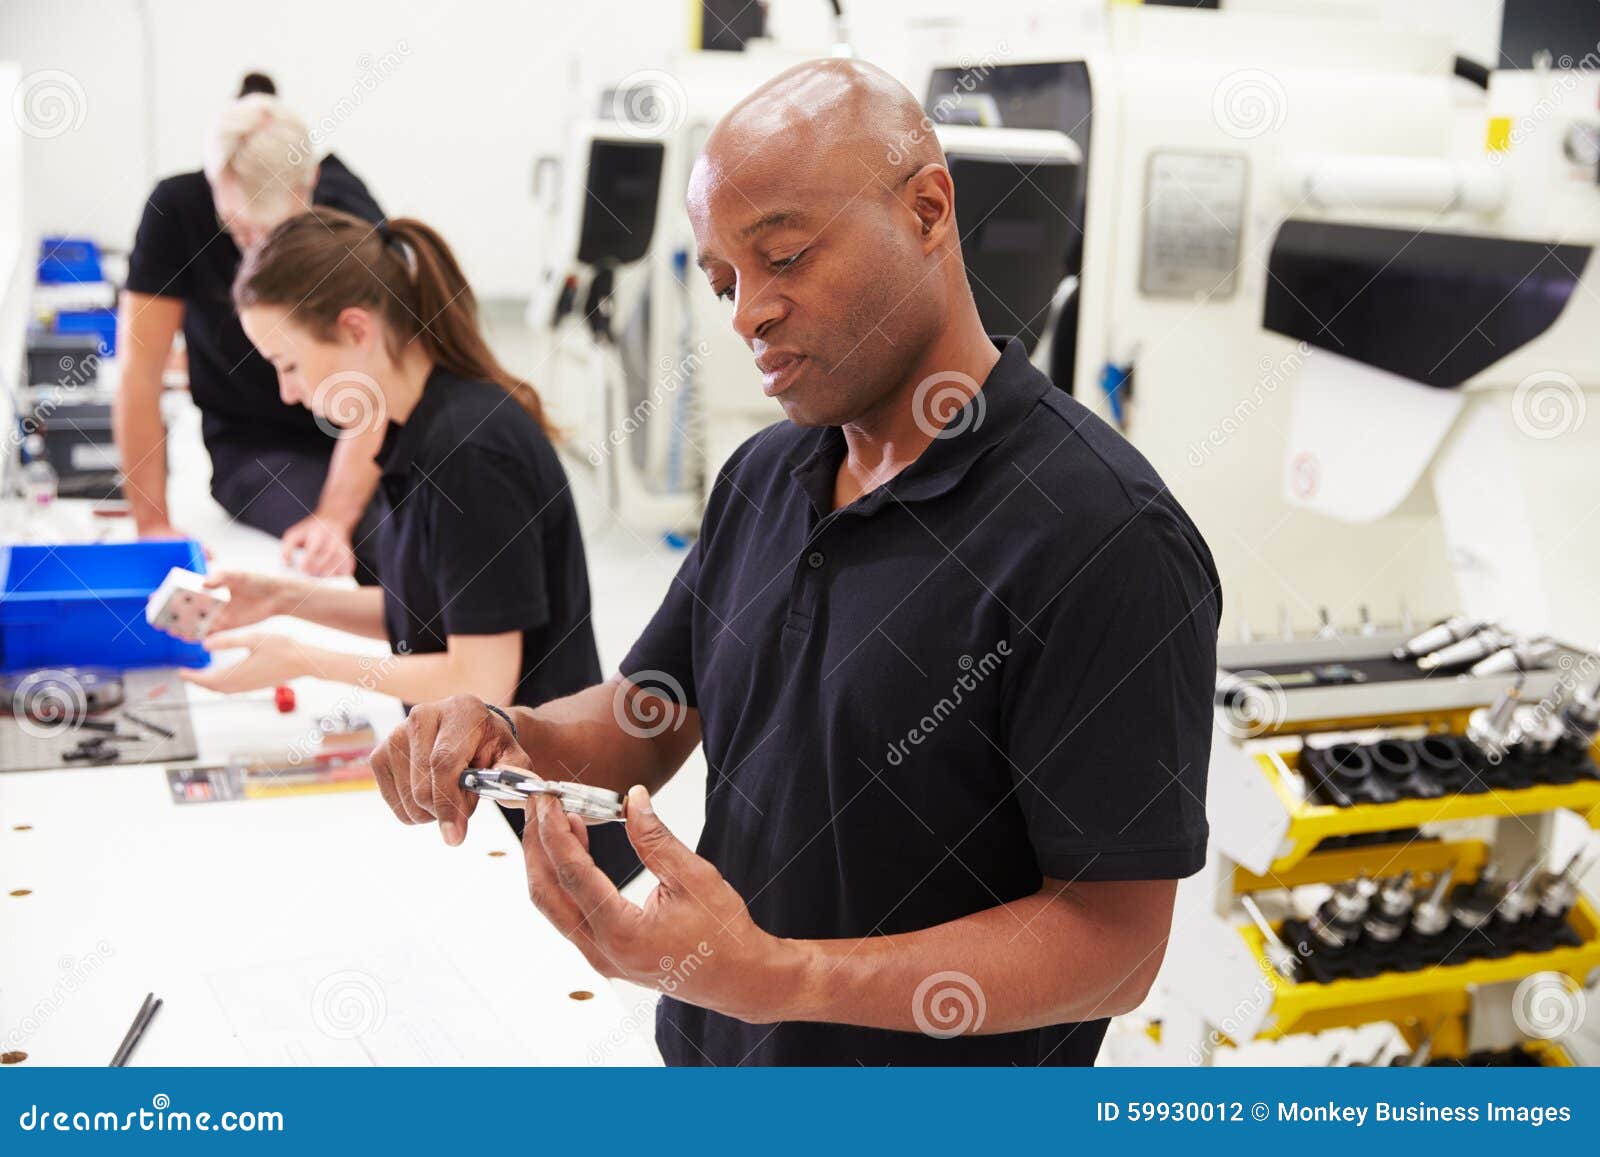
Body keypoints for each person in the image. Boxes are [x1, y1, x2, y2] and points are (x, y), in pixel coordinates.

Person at [367, 59, 1221, 1066]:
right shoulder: (767, 478)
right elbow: (650, 710)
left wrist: (780, 974)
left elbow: (1112, 946)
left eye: (784, 256)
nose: (746, 314)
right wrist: (508, 734)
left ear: (927, 209)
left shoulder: (1098, 537)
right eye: (725, 279)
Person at [162, 208, 637, 883]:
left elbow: (478, 678)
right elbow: (433, 614)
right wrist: (284, 598)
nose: (287, 393)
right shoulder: (413, 428)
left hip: (534, 824)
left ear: (356, 329)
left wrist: (302, 657)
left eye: (289, 363)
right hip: (474, 792)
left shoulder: (469, 453)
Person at [118, 73, 386, 578]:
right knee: (371, 546)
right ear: (214, 182)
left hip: (358, 426)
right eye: (239, 230)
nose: (254, 249)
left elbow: (379, 371)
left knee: (434, 525)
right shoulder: (178, 210)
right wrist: (152, 524)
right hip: (256, 444)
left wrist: (336, 515)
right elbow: (140, 370)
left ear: (309, 186)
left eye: (274, 231)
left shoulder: (348, 212)